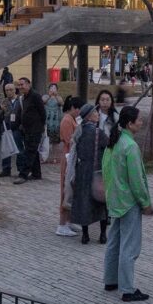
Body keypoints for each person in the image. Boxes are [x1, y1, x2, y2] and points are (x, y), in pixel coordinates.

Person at [102, 106, 153, 301]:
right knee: (129, 246)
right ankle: (127, 288)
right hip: (129, 201)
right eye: (139, 120)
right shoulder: (130, 146)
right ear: (130, 124)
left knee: (114, 241)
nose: (141, 122)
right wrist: (145, 202)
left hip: (114, 199)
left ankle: (111, 280)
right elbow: (137, 180)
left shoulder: (114, 142)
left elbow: (105, 169)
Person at [69, 104, 108, 244]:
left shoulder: (78, 132)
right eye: (95, 112)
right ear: (90, 116)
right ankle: (103, 235)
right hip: (97, 171)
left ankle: (85, 235)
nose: (98, 114)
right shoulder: (98, 133)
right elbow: (110, 145)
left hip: (81, 171)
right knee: (101, 203)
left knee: (83, 203)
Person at [55, 97, 81, 236]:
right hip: (68, 157)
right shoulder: (66, 120)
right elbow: (69, 140)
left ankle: (69, 221)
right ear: (74, 108)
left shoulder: (72, 119)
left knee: (71, 190)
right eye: (79, 109)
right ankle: (62, 224)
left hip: (71, 156)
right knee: (66, 190)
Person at [15, 77, 46, 182]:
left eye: (22, 84)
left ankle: (23, 175)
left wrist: (40, 126)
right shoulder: (24, 97)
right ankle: (37, 173)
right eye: (18, 85)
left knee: (29, 152)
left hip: (35, 130)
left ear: (28, 84)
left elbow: (43, 113)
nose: (20, 87)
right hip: (26, 130)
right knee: (33, 151)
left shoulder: (35, 96)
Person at [44, 83, 64, 164]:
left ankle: (55, 158)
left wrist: (55, 96)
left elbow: (61, 103)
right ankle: (45, 157)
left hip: (56, 123)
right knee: (46, 142)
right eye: (51, 88)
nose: (52, 90)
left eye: (54, 88)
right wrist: (49, 96)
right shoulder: (45, 96)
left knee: (55, 142)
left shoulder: (58, 97)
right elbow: (43, 101)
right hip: (47, 122)